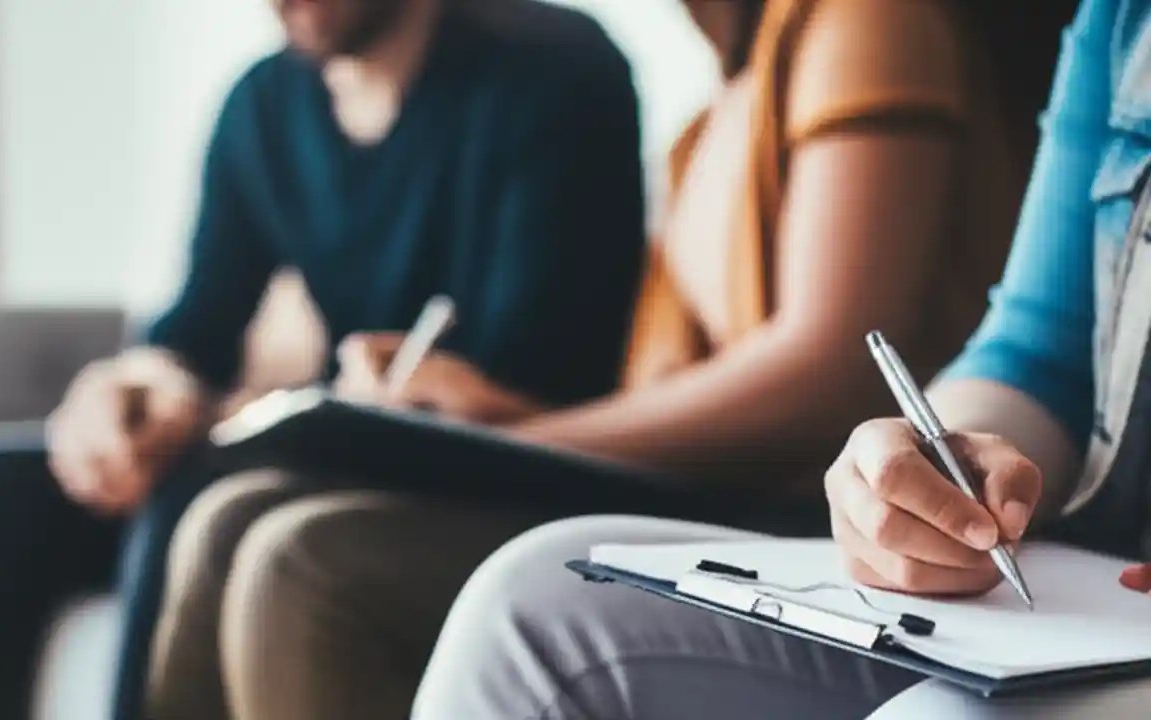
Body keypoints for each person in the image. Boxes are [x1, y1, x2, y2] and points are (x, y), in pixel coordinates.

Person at [150, 0, 1027, 718]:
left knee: (306, 559)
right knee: (231, 515)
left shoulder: (867, 23)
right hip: (731, 504)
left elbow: (825, 370)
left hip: (820, 527)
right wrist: (494, 422)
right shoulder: (717, 110)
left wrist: (530, 433)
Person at [0, 0, 648, 717]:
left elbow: (540, 364)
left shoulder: (552, 69)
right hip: (352, 434)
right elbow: (196, 331)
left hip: (497, 471)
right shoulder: (265, 104)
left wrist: (411, 395)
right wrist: (138, 391)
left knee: (197, 488)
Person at [408, 0, 1151, 718]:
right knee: (528, 599)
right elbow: (1037, 356)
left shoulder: (865, 26)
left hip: (798, 504)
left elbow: (820, 371)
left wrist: (504, 444)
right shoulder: (1119, 18)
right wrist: (927, 463)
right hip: (1094, 587)